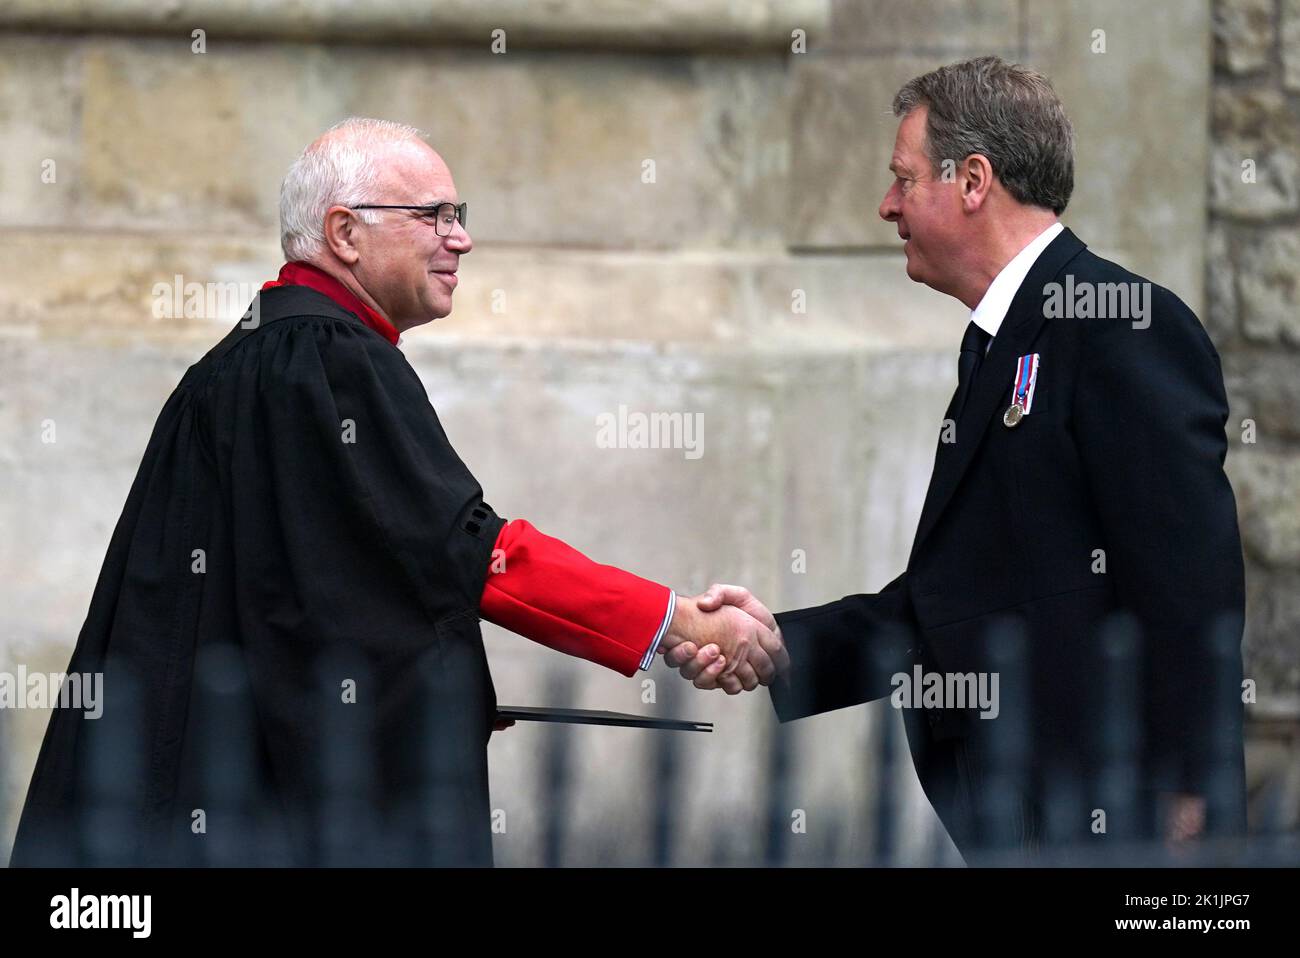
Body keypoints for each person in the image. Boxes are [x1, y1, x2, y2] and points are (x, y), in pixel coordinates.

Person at [9, 118, 785, 868]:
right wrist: (677, 619)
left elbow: (317, 607)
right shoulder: (334, 357)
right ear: (344, 233)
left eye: (460, 214)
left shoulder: (234, 362)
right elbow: (473, 555)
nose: (461, 238)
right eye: (433, 215)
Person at [664, 56, 1247, 861]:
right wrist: (779, 643)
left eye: (904, 179)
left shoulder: (1122, 325)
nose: (886, 205)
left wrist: (1190, 808)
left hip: (1116, 824)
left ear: (973, 180)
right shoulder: (1000, 346)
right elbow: (961, 594)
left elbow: (1190, 584)